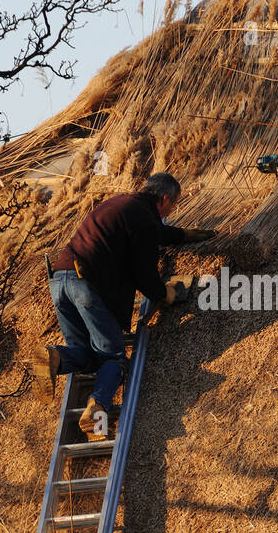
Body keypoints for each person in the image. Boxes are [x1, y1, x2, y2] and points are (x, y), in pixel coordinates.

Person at [32, 173, 213, 438]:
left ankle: (54, 357)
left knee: (86, 355)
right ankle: (97, 409)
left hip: (59, 281)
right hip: (87, 283)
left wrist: (182, 235)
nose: (171, 211)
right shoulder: (142, 218)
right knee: (114, 356)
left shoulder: (124, 205)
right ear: (164, 199)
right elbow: (143, 273)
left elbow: (154, 232)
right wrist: (164, 294)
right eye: (173, 205)